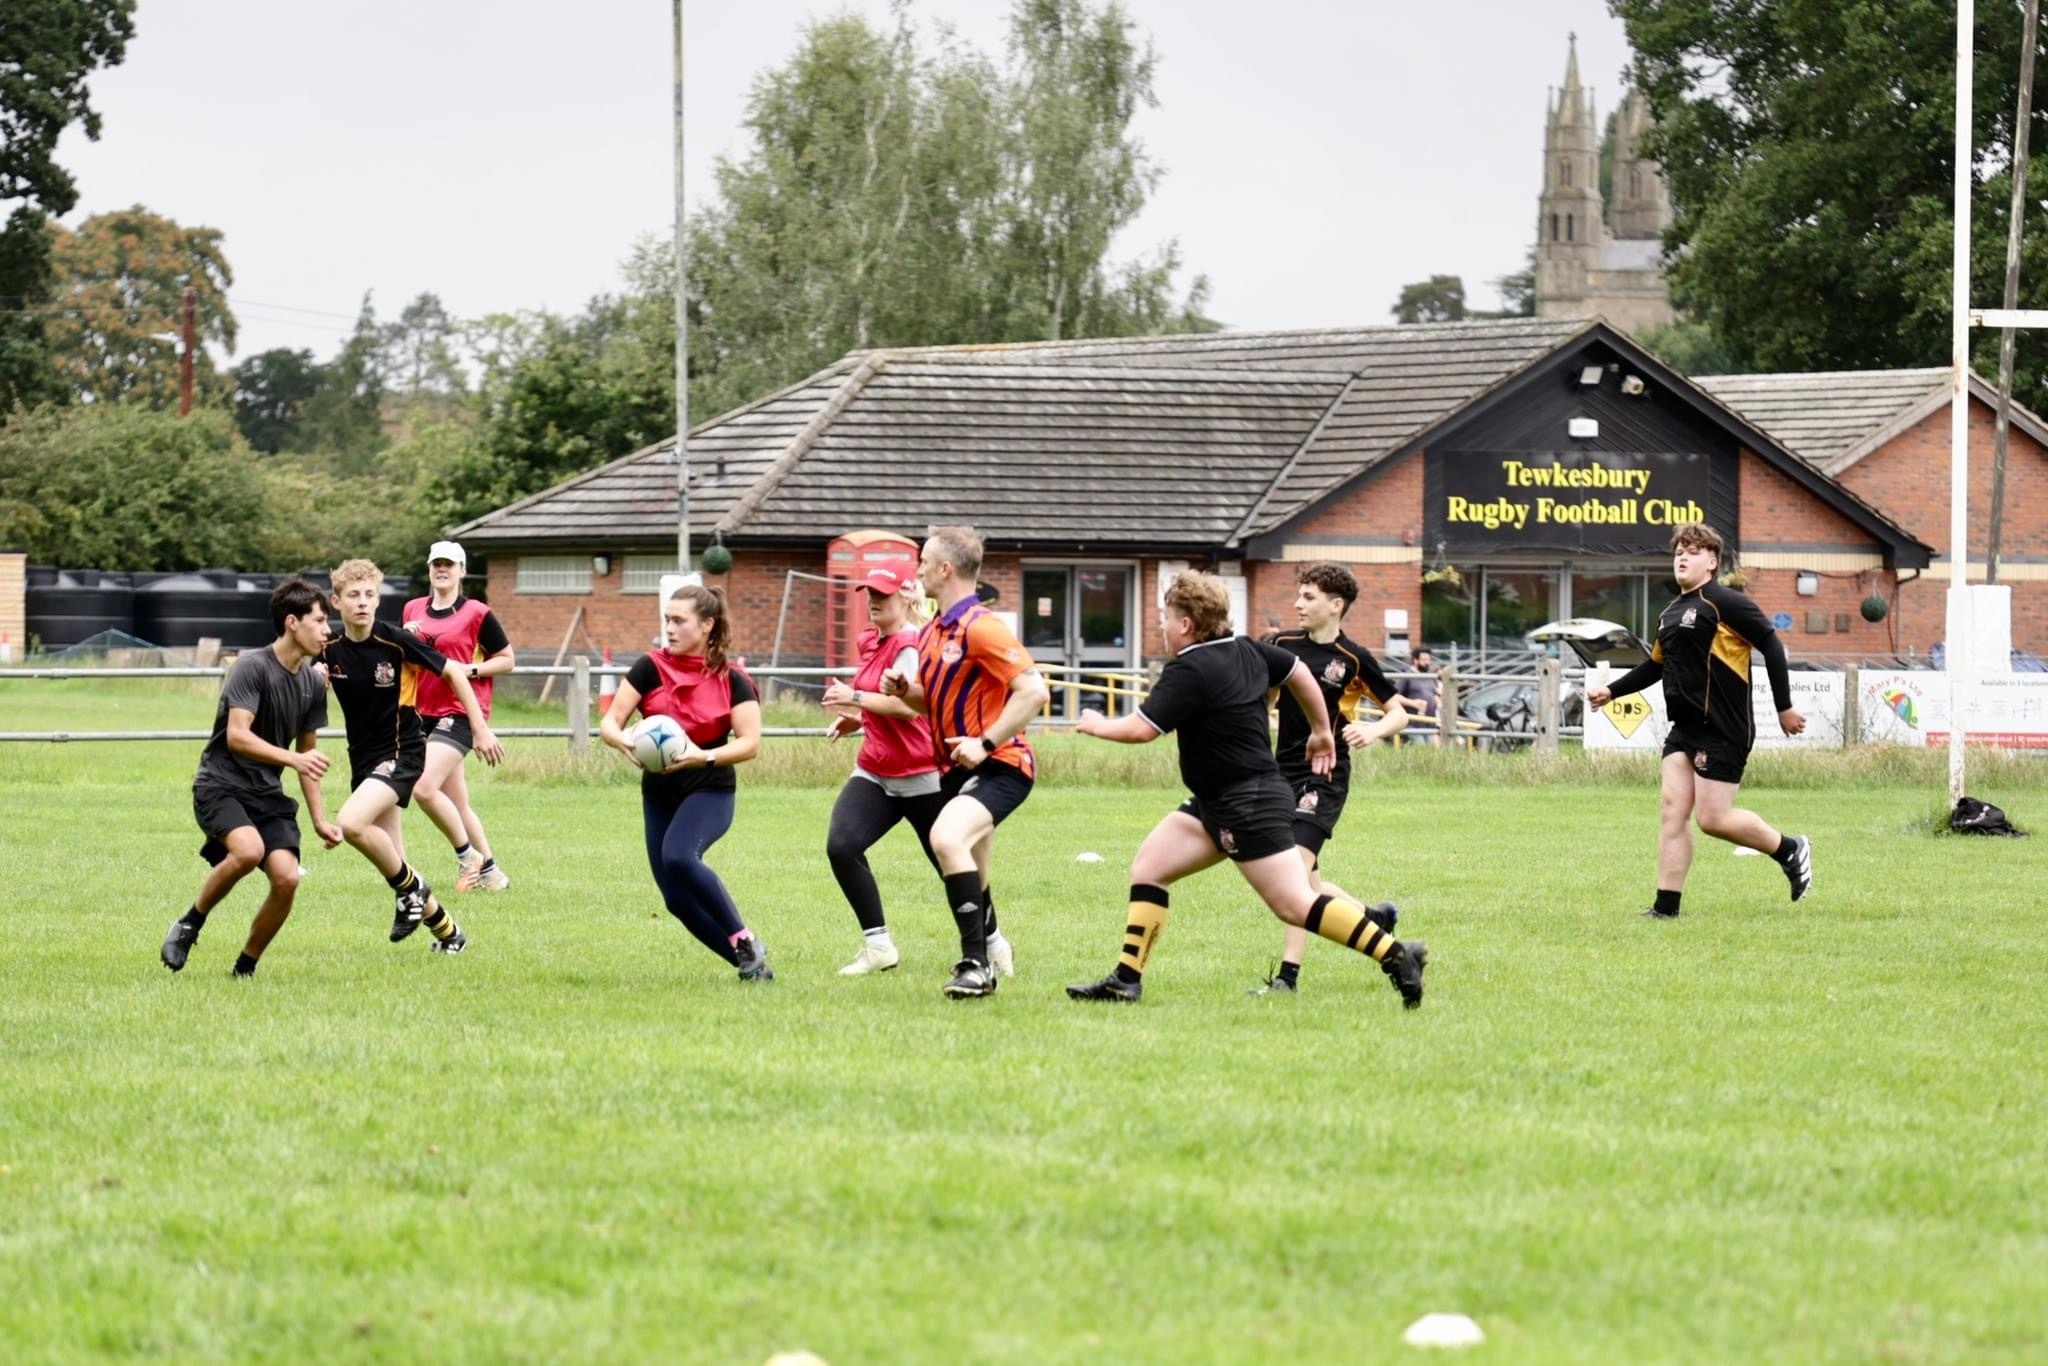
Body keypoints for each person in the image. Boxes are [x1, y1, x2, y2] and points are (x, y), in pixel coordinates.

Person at [1065, 571, 1428, 1008]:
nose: (1162, 626)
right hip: (1215, 800)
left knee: (1295, 904)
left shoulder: (1190, 669)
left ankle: (1396, 954)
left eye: (1166, 617)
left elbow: (1142, 730)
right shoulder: (1251, 650)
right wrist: (1320, 729)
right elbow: (1298, 672)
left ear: (1185, 624)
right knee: (1149, 867)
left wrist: (1097, 724)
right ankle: (1125, 980)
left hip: (1248, 803)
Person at [1586, 523, 1813, 919]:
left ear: (1712, 562)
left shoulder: (1726, 602)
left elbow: (1771, 645)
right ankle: (1665, 908)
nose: (1682, 557)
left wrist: (1784, 707)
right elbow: (1655, 666)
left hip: (1723, 727)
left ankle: (1789, 849)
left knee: (1713, 819)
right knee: (1672, 811)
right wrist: (1612, 692)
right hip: (1684, 730)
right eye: (1678, 552)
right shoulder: (1671, 613)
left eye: (1692, 551)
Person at [879, 525, 1048, 999]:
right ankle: (993, 950)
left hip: (1002, 764)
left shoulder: (982, 625)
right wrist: (904, 692)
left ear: (945, 569)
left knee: (945, 838)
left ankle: (975, 965)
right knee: (974, 867)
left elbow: (1033, 691)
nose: (918, 571)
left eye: (923, 563)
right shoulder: (936, 630)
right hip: (956, 767)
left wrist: (986, 742)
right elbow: (931, 703)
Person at [322, 558, 505, 954]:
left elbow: (455, 672)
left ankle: (416, 892)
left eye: (370, 594)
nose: (363, 602)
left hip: (402, 752)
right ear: (336, 602)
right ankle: (449, 934)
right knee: (396, 864)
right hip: (364, 761)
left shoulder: (395, 640)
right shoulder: (329, 650)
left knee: (352, 823)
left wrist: (479, 727)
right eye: (353, 595)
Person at [160, 580, 337, 977]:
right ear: (292, 622)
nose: (328, 630)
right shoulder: (251, 667)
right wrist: (293, 758)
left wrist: (321, 820)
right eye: (320, 620)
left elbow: (307, 758)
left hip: (266, 793)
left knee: (287, 878)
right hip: (220, 785)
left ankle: (244, 969)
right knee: (247, 851)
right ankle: (189, 924)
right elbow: (238, 737)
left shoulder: (312, 683)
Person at [1250, 562, 1410, 997]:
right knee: (1312, 885)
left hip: (1326, 776)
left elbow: (1399, 712)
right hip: (1282, 773)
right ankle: (1374, 921)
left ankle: (1287, 978)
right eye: (1299, 595)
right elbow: (1261, 698)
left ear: (1335, 605)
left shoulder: (1354, 658)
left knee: (1294, 881)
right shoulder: (1281, 644)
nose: (1298, 604)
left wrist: (1372, 730)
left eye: (1309, 597)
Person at [599, 584, 773, 981]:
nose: (670, 629)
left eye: (680, 621)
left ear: (707, 625)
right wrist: (624, 739)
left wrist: (702, 755)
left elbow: (750, 744)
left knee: (679, 856)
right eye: (667, 620)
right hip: (659, 792)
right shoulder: (649, 666)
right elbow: (610, 721)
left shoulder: (733, 679)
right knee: (676, 900)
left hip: (709, 788)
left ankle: (744, 938)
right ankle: (751, 967)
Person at [818, 564, 946, 975]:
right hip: (875, 769)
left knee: (952, 866)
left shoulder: (909, 644)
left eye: (883, 594)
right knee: (842, 844)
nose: (873, 600)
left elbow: (907, 707)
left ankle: (994, 943)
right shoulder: (875, 641)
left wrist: (855, 698)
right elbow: (881, 705)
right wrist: (859, 719)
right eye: (869, 592)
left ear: (906, 598)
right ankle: (878, 947)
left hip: (920, 774)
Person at [402, 540, 515, 893]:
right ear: (429, 569)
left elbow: (507, 659)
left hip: (462, 712)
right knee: (457, 801)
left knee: (423, 787)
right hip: (425, 712)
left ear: (462, 571)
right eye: (436, 563)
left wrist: (469, 670)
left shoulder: (477, 613)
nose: (442, 569)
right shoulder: (412, 609)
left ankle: (468, 857)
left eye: (449, 564)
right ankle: (493, 875)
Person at [1395, 646, 1444, 746]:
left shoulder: (1430, 676)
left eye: (1429, 659)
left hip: (1431, 724)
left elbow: (1434, 694)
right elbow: (1394, 696)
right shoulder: (1407, 676)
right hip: (1413, 725)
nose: (1427, 662)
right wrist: (1413, 703)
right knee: (1421, 750)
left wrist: (1438, 700)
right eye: (1424, 660)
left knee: (1438, 753)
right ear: (1415, 660)